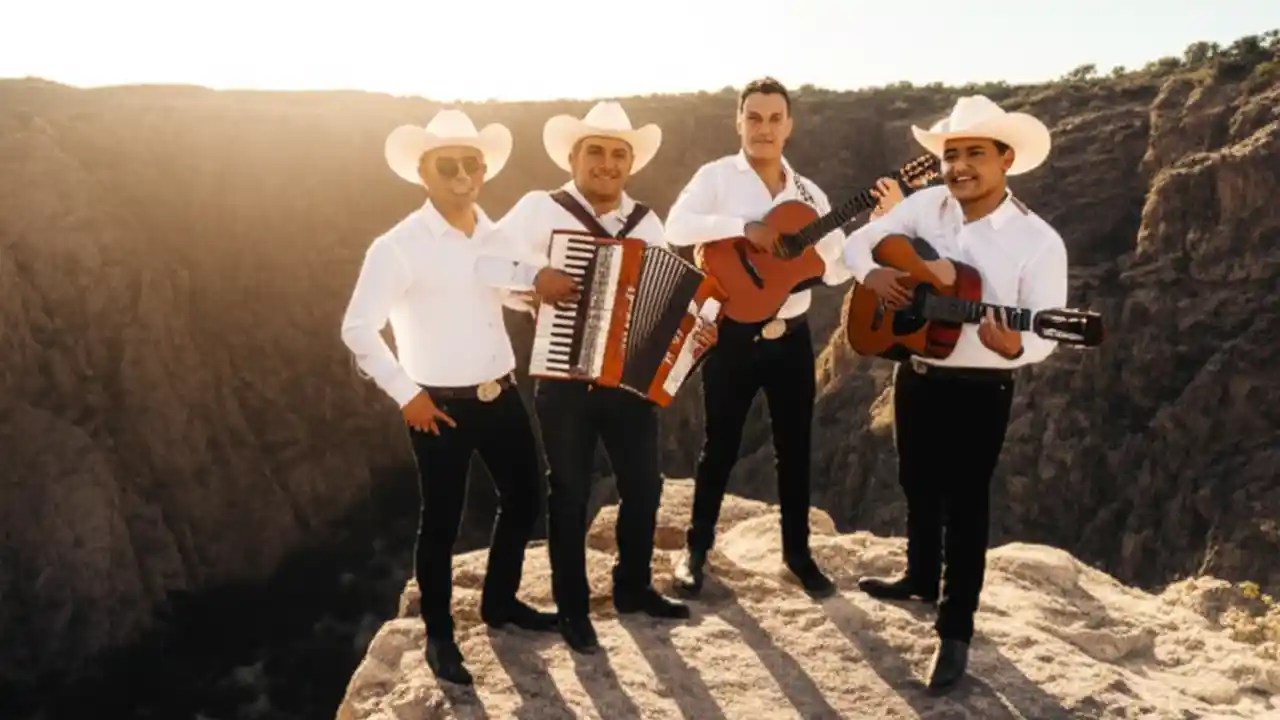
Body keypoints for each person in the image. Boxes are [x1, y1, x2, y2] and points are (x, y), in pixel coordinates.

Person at [340, 108, 576, 686]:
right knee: (441, 522)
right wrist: (406, 396)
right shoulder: (397, 247)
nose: (464, 174)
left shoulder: (494, 234)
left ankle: (498, 604)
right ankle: (441, 638)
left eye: (473, 163)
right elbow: (357, 329)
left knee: (523, 498)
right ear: (423, 171)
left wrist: (532, 298)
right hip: (437, 404)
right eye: (449, 164)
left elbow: (495, 285)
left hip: (500, 391)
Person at [842, 94, 1068, 693]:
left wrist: (1014, 346)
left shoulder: (1038, 241)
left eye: (974, 153)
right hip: (916, 370)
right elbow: (856, 245)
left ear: (1005, 158)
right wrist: (874, 275)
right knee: (916, 481)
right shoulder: (924, 207)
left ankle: (955, 628)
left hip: (981, 386)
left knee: (966, 503)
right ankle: (919, 575)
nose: (959, 165)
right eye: (951, 154)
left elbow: (1046, 330)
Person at [485, 101, 714, 654]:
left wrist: (694, 334)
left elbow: (670, 302)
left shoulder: (647, 222)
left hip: (628, 384)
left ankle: (633, 587)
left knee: (644, 486)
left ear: (629, 163)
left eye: (618, 155)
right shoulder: (542, 208)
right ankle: (572, 608)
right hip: (564, 378)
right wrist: (533, 281)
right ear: (573, 157)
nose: (607, 164)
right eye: (596, 152)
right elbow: (487, 263)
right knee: (569, 492)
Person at [664, 77, 859, 599]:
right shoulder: (717, 177)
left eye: (775, 118)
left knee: (795, 447)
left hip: (791, 337)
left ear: (789, 125)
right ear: (739, 121)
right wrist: (743, 228)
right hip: (733, 335)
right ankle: (696, 552)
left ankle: (797, 555)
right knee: (719, 446)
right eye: (754, 117)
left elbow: (835, 268)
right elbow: (676, 227)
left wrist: (863, 243)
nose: (764, 128)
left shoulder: (809, 194)